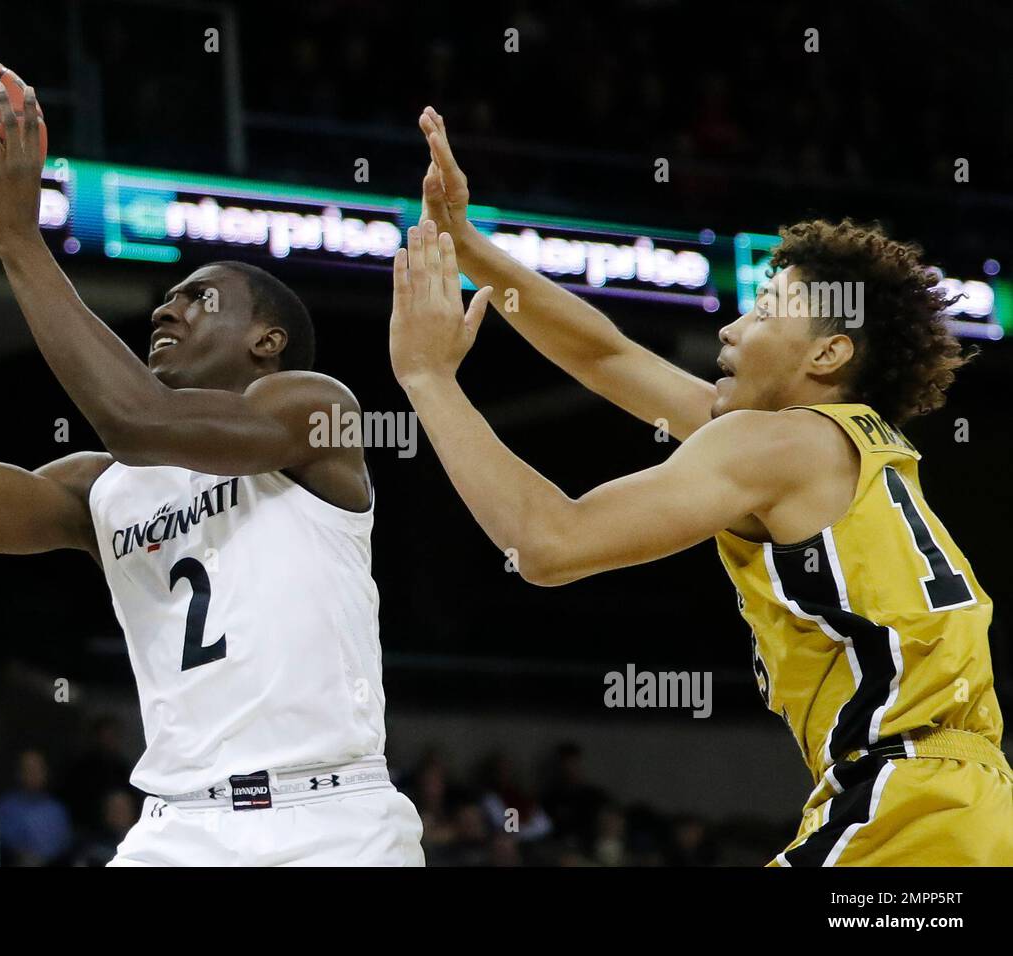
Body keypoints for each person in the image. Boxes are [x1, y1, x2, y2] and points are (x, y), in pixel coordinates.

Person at [388, 106, 1012, 866]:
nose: (729, 329)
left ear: (828, 354)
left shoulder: (775, 445)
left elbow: (548, 544)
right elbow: (609, 357)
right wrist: (466, 245)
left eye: (763, 311)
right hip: (965, 806)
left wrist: (428, 379)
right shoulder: (840, 445)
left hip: (905, 805)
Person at [0, 82, 422, 866]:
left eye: (199, 299)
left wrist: (21, 241)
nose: (167, 312)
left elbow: (137, 418)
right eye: (164, 300)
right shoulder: (105, 487)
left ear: (267, 340)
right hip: (176, 828)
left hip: (328, 819)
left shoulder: (311, 413)